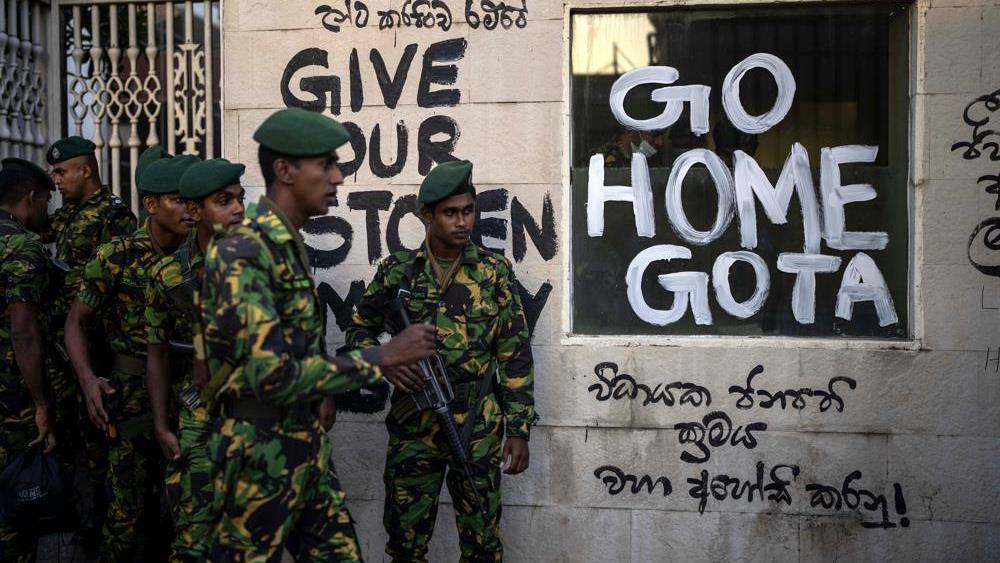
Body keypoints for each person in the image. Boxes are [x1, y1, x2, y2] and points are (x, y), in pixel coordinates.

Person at [197, 107, 437, 561]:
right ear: (285, 171)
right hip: (258, 454)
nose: (338, 177)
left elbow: (296, 352)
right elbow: (270, 374)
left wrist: (323, 390)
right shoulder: (243, 252)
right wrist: (382, 356)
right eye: (325, 164)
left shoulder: (286, 245)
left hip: (305, 447)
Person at [346, 160, 537, 562]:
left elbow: (515, 354)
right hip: (414, 427)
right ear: (427, 216)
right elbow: (357, 332)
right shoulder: (397, 272)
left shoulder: (494, 272)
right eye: (451, 213)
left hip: (476, 426)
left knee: (482, 544)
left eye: (468, 210)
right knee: (405, 545)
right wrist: (385, 362)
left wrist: (519, 430)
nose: (462, 221)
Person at [65, 155, 199, 562]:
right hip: (133, 396)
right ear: (151, 205)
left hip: (192, 393)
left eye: (192, 201)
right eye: (178, 200)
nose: (189, 211)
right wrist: (89, 381)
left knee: (190, 510)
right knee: (128, 509)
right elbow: (75, 324)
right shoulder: (116, 255)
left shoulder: (205, 255)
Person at [144, 158, 246, 562]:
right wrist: (160, 424)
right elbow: (158, 353)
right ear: (193, 211)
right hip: (199, 416)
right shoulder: (170, 276)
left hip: (262, 414)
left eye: (240, 198)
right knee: (194, 538)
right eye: (225, 200)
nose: (239, 208)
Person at [45, 136, 137, 546]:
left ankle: (106, 526)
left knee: (103, 442)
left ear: (86, 170)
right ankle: (81, 518)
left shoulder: (114, 216)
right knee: (74, 440)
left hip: (99, 346)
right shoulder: (67, 216)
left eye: (62, 171)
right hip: (66, 347)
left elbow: (117, 285)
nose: (56, 179)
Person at [0, 158, 57, 562]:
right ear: (31, 198)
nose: (48, 212)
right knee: (14, 511)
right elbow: (23, 331)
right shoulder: (22, 245)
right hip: (10, 398)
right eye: (45, 202)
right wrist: (40, 403)